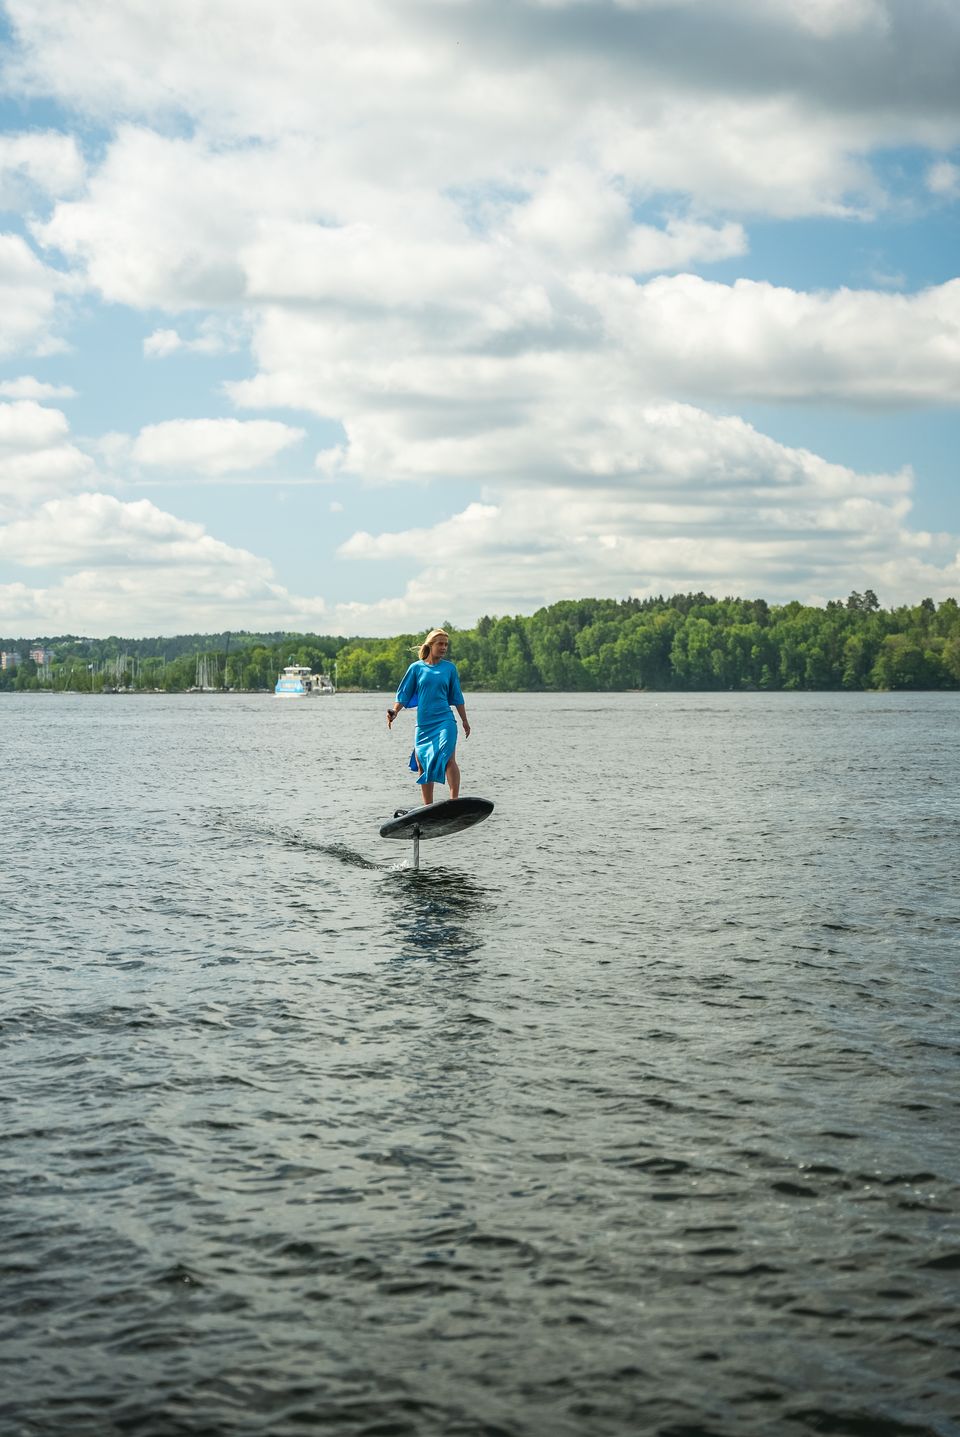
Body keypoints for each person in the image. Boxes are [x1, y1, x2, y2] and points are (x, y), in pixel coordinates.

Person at [386, 628, 471, 805]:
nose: (444, 647)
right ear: (430, 645)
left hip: (445, 721)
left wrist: (464, 720)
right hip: (424, 724)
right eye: (440, 644)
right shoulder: (416, 668)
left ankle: (454, 800)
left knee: (448, 757)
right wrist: (395, 712)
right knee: (422, 761)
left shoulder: (449, 668)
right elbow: (404, 694)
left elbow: (457, 696)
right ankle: (428, 807)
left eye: (446, 644)